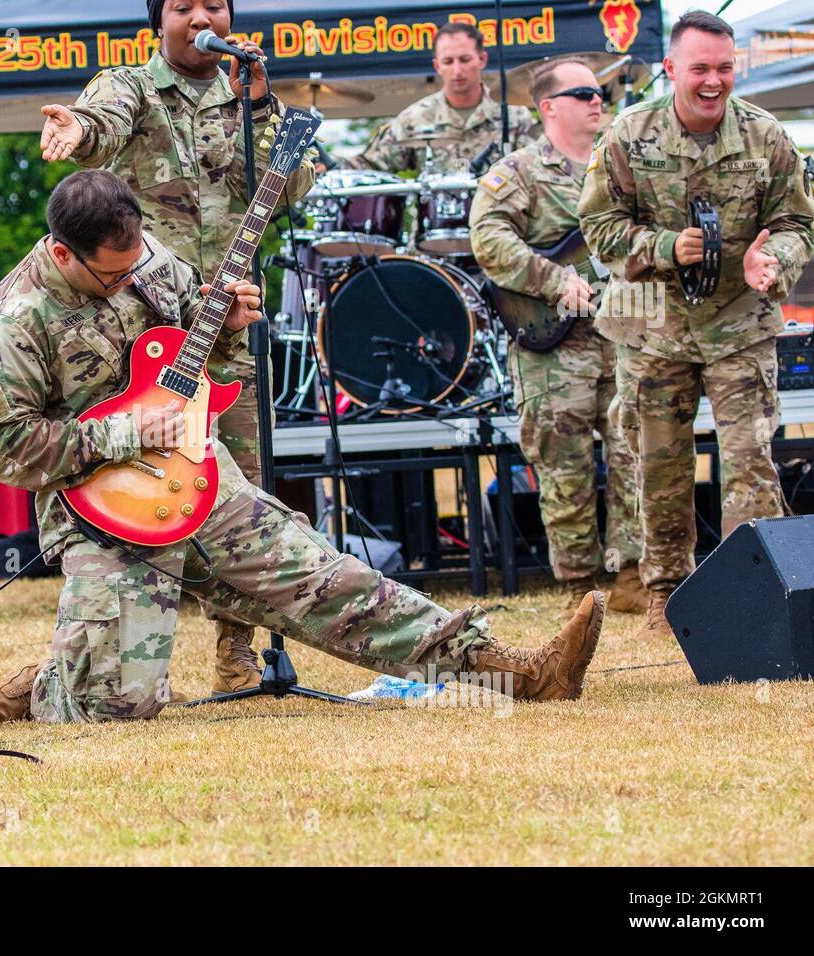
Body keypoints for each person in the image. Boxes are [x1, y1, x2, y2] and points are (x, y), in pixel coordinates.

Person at [0, 170, 606, 726]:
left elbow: (200, 353)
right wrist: (122, 433)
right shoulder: (14, 322)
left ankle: (516, 672)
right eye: (111, 275)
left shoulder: (147, 260)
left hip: (197, 476)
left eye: (135, 265)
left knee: (327, 582)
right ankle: (53, 680)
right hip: (103, 509)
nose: (129, 280)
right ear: (63, 253)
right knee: (117, 707)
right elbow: (2, 449)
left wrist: (228, 323)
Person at [36, 0, 316, 693]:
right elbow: (98, 126)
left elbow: (295, 188)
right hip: (144, 343)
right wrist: (76, 128)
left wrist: (264, 105)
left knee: (242, 489)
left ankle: (237, 655)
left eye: (213, 5)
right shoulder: (131, 87)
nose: (200, 16)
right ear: (157, 21)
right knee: (133, 491)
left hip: (229, 332)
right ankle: (104, 650)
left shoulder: (246, 97)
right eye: (183, 5)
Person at [578, 10, 814, 641]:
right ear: (672, 69)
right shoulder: (629, 135)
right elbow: (598, 232)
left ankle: (757, 595)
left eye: (725, 68)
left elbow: (798, 222)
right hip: (654, 327)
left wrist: (776, 259)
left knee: (749, 462)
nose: (714, 81)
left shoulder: (766, 137)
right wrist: (660, 246)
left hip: (740, 320)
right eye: (701, 68)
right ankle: (667, 598)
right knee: (659, 467)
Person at [470, 59, 646, 613]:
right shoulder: (518, 171)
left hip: (623, 337)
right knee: (564, 472)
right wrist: (554, 279)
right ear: (548, 106)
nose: (598, 100)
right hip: (552, 347)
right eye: (583, 93)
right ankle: (581, 589)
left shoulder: (623, 167)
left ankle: (633, 578)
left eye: (601, 92)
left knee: (635, 458)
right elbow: (489, 239)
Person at [346, 22, 535, 175]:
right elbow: (368, 166)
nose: (457, 70)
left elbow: (539, 170)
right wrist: (324, 165)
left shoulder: (515, 116)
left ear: (482, 59)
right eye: (448, 62)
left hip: (502, 220)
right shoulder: (415, 118)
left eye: (465, 59)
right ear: (437, 66)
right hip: (436, 221)